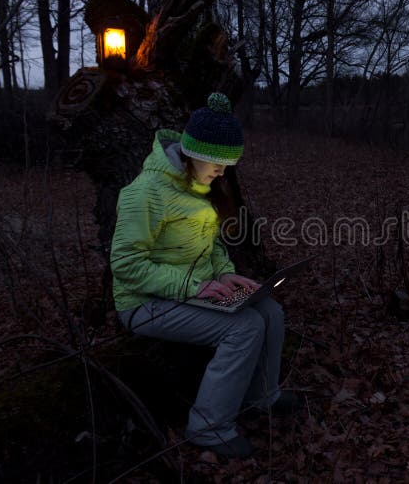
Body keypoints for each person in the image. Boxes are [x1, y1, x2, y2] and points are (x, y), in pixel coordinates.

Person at [110, 92, 298, 460]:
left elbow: (210, 247)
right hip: (143, 302)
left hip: (188, 293)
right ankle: (209, 427)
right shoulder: (144, 193)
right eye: (216, 163)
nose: (221, 172)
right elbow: (125, 265)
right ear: (191, 154)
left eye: (227, 164)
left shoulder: (200, 187)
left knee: (270, 312)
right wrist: (193, 285)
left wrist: (226, 276)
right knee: (243, 327)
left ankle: (262, 396)